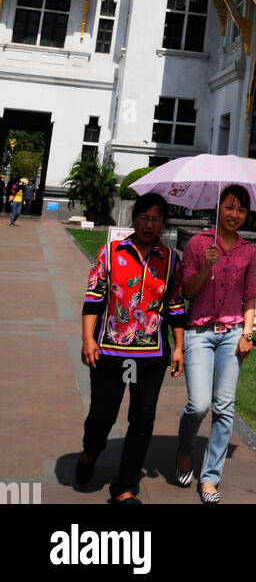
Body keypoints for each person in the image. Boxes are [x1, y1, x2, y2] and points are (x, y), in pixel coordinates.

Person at [76, 192, 185, 503]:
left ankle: (124, 487)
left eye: (155, 219)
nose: (149, 224)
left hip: (151, 357)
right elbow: (93, 299)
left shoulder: (171, 260)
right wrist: (88, 339)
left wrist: (179, 347)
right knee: (102, 416)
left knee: (142, 420)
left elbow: (176, 306)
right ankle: (90, 452)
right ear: (133, 218)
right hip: (109, 352)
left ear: (163, 223)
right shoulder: (111, 253)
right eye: (143, 217)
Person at [176, 185, 256, 504]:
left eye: (241, 210)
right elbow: (186, 292)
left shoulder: (248, 251)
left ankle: (210, 477)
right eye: (229, 207)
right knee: (198, 405)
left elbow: (250, 295)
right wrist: (207, 265)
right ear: (218, 208)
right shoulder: (198, 244)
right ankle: (184, 449)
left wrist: (248, 334)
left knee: (224, 408)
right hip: (199, 333)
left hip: (232, 334)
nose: (235, 214)